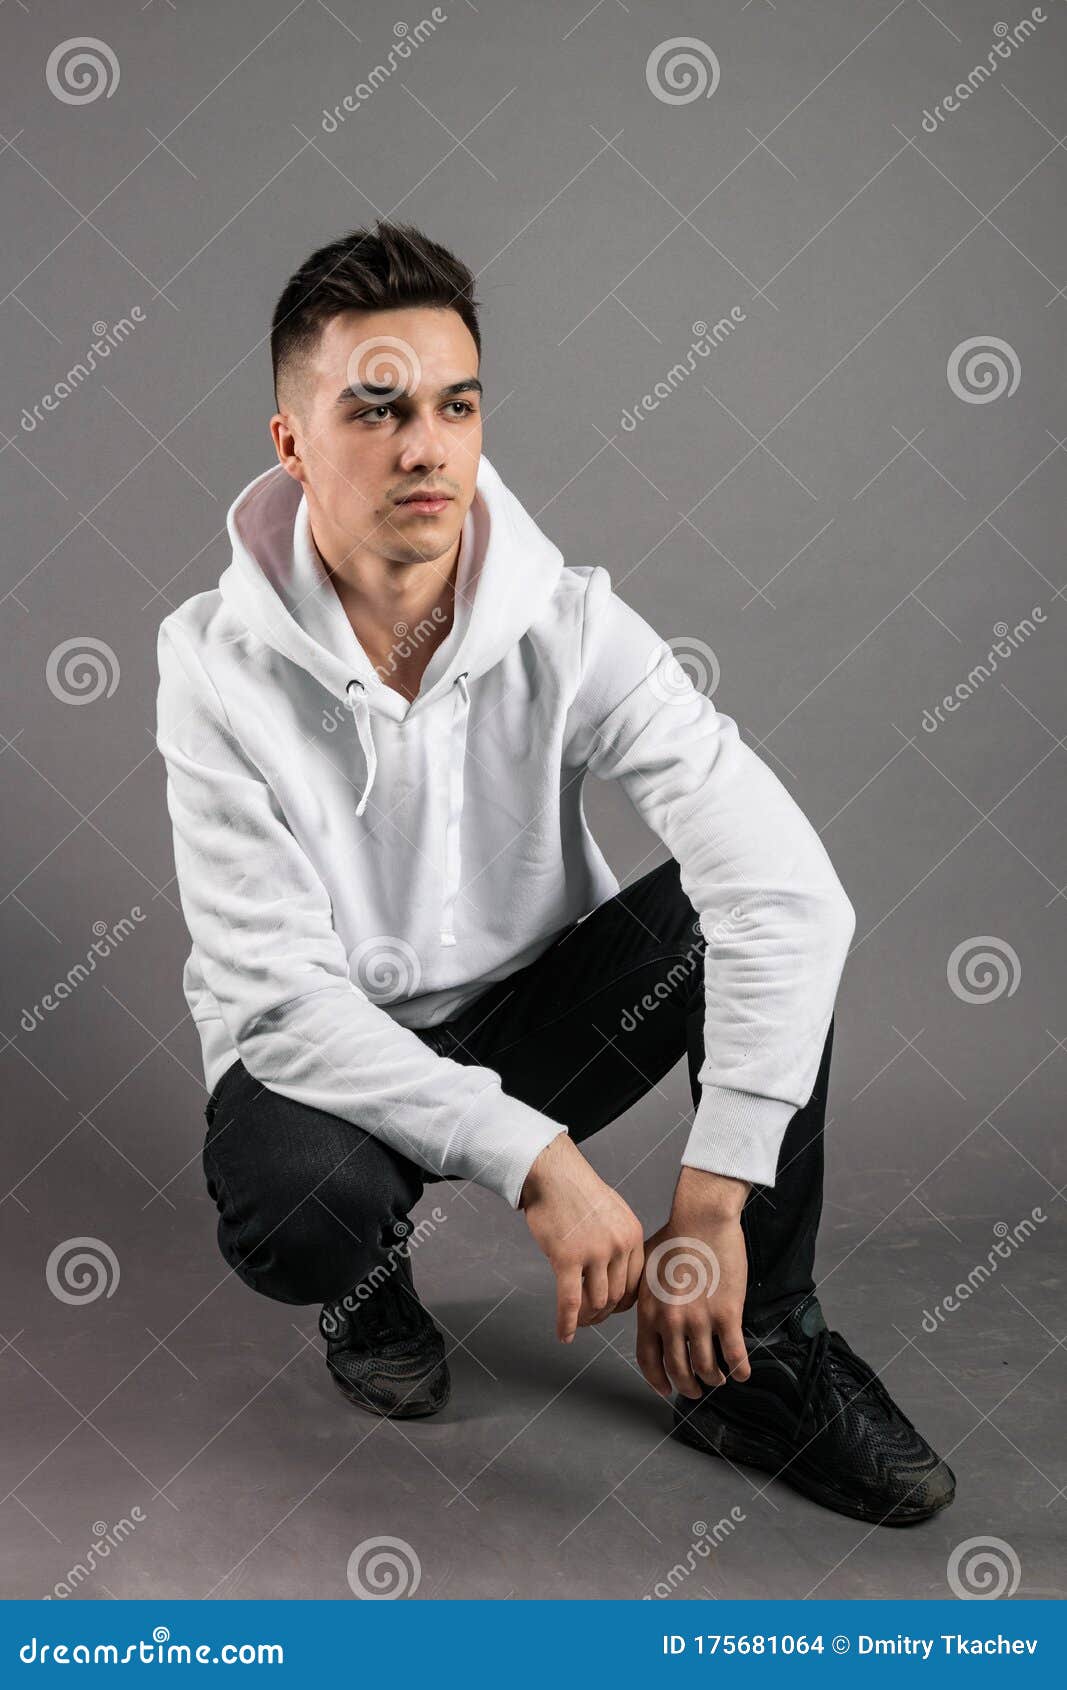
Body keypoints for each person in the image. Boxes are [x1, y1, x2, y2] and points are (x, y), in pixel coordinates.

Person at [155, 221, 955, 1527]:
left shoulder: (565, 618)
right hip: (328, 1066)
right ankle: (368, 1285)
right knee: (304, 1204)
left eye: (453, 405)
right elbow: (285, 1003)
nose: (426, 445)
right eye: (376, 407)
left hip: (535, 1015)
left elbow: (785, 889)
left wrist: (711, 1198)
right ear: (292, 442)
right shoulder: (212, 663)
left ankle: (761, 1353)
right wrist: (537, 1158)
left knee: (735, 921)